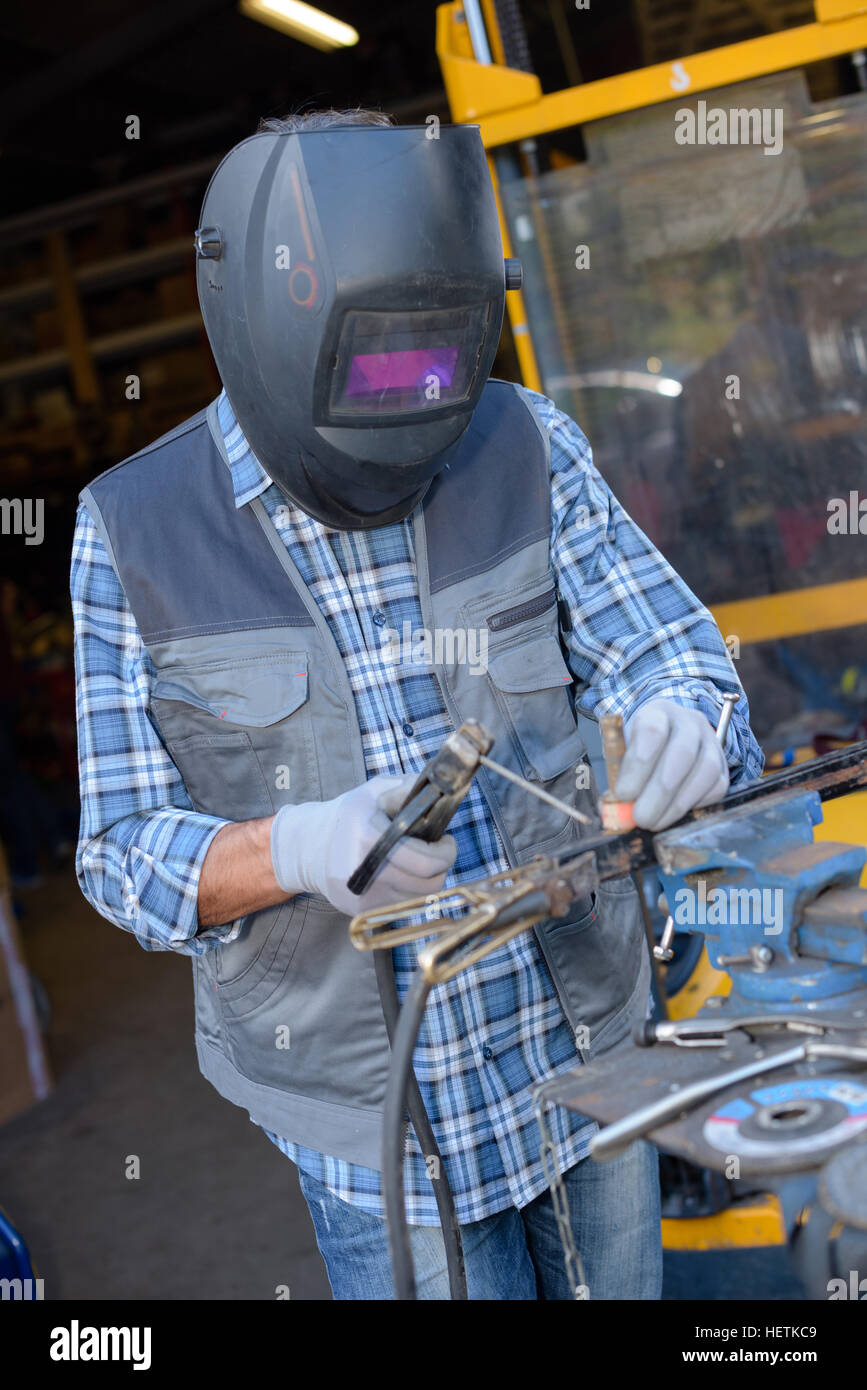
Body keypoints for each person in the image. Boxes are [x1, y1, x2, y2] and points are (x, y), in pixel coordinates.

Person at [71, 108, 764, 1300]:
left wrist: (689, 723)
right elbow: (121, 854)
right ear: (261, 322)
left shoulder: (523, 440)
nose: (414, 406)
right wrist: (295, 847)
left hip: (585, 1059)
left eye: (435, 362)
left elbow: (670, 652)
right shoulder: (133, 533)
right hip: (374, 1131)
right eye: (373, 363)